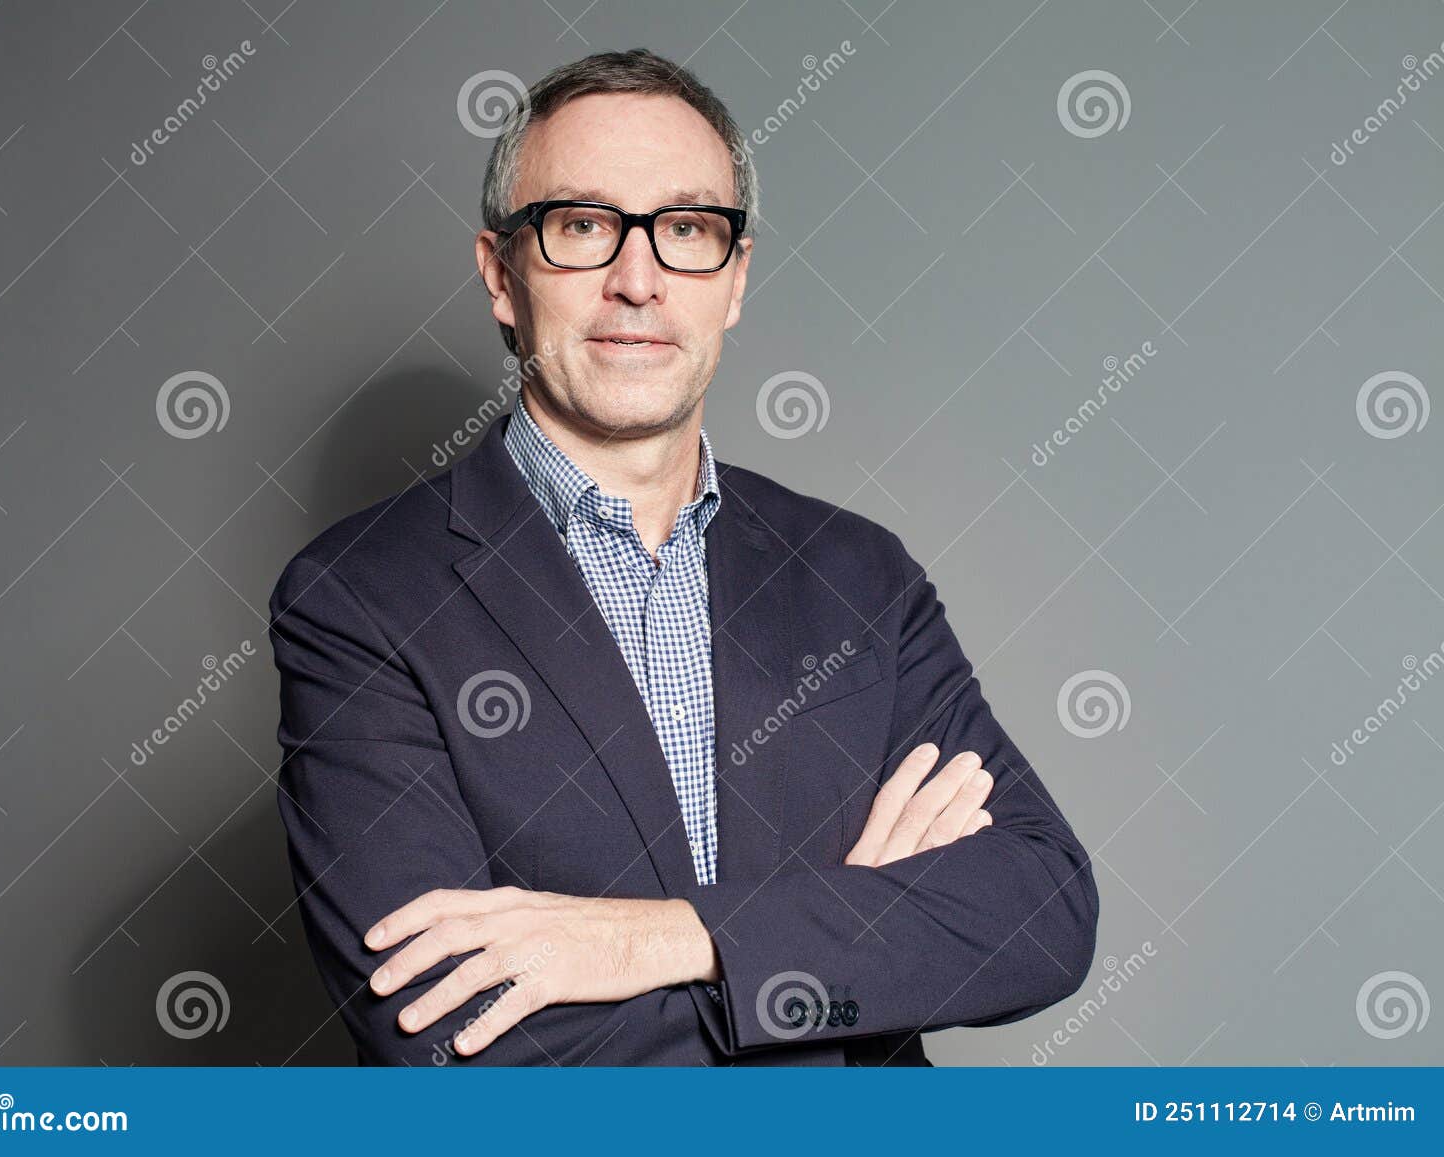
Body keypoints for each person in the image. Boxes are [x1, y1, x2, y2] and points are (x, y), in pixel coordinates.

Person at [268, 47, 1099, 1066]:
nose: (638, 281)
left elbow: (1042, 911)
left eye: (687, 230)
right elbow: (455, 1041)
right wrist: (852, 951)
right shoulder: (358, 597)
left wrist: (659, 939)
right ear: (500, 274)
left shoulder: (858, 573)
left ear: (734, 280)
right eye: (582, 226)